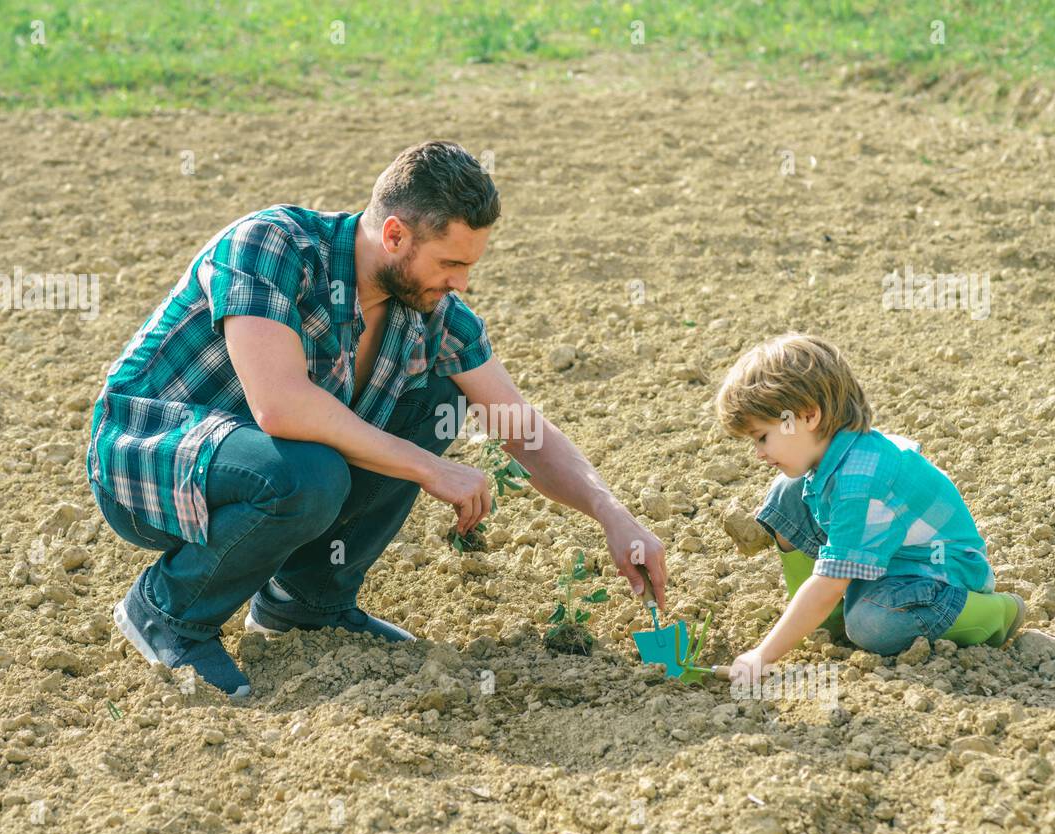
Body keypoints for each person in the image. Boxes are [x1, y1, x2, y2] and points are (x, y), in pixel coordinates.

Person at [87, 141, 668, 696]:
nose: (461, 283)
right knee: (310, 474)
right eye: (450, 263)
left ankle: (307, 603)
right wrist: (425, 467)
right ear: (394, 235)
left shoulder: (433, 310)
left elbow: (521, 427)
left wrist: (612, 515)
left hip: (259, 464)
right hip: (149, 461)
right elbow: (280, 405)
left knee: (441, 397)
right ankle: (168, 611)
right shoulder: (272, 244)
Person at [713, 333, 1025, 683]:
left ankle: (996, 613)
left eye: (762, 436)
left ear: (807, 416)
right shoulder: (835, 456)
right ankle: (825, 623)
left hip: (937, 575)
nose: (758, 452)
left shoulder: (861, 481)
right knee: (787, 496)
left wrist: (762, 655)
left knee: (872, 626)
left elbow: (830, 581)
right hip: (892, 563)